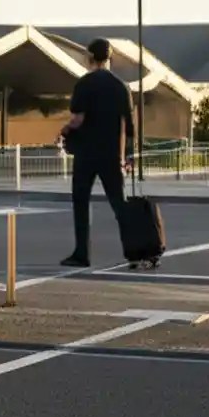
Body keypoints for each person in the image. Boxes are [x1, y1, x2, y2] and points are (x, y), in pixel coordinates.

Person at [58, 38, 136, 267]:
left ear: (90, 57)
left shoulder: (84, 84)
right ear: (110, 58)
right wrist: (129, 156)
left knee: (81, 202)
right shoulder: (121, 87)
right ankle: (135, 250)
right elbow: (129, 125)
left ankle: (82, 253)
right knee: (119, 204)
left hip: (86, 154)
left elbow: (78, 119)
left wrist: (64, 131)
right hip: (112, 154)